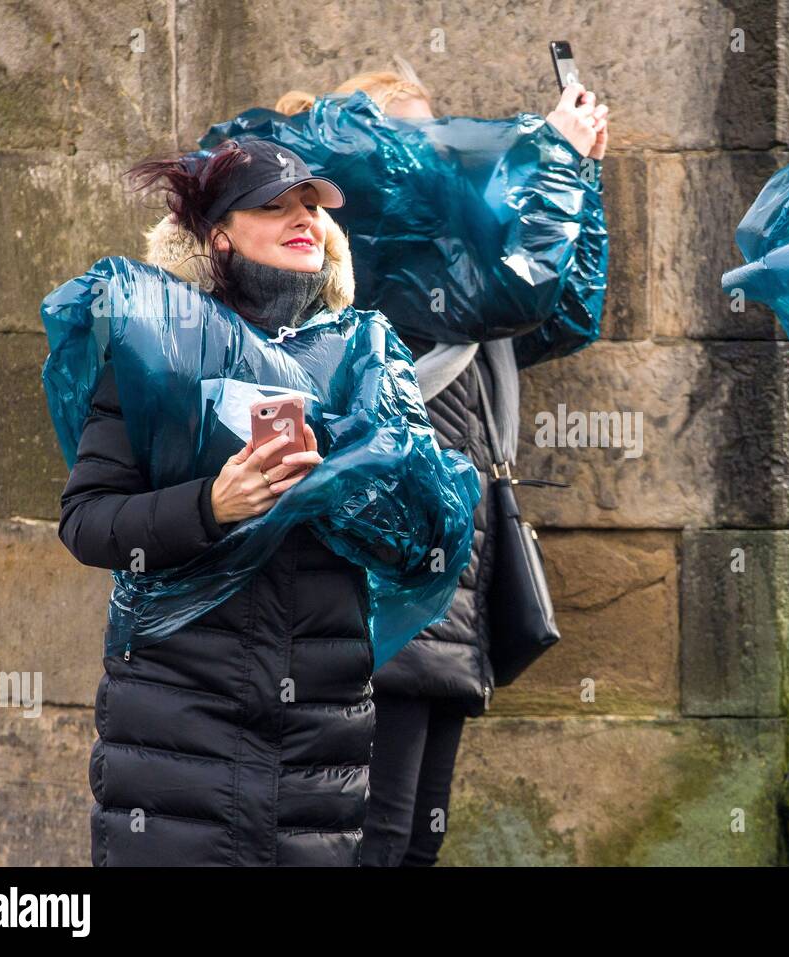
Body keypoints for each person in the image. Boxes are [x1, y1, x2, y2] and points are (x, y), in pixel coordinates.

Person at [57, 138, 466, 866]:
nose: (301, 217)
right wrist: (214, 503)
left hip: (319, 735)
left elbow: (428, 542)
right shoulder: (160, 351)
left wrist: (358, 483)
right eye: (272, 205)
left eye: (310, 205)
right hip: (178, 728)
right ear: (218, 234)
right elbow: (88, 521)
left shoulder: (365, 356)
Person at [273, 60, 608, 867]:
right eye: (415, 144)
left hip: (458, 593)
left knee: (418, 833)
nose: (436, 163)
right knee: (376, 835)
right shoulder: (380, 267)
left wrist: (583, 179)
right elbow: (514, 287)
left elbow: (564, 311)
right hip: (389, 591)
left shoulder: (464, 279)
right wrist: (552, 162)